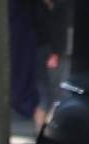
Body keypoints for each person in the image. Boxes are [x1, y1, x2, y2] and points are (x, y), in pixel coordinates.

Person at [8, 0, 62, 133]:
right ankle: (41, 127)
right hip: (39, 43)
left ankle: (41, 126)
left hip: (31, 42)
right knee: (42, 85)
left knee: (39, 84)